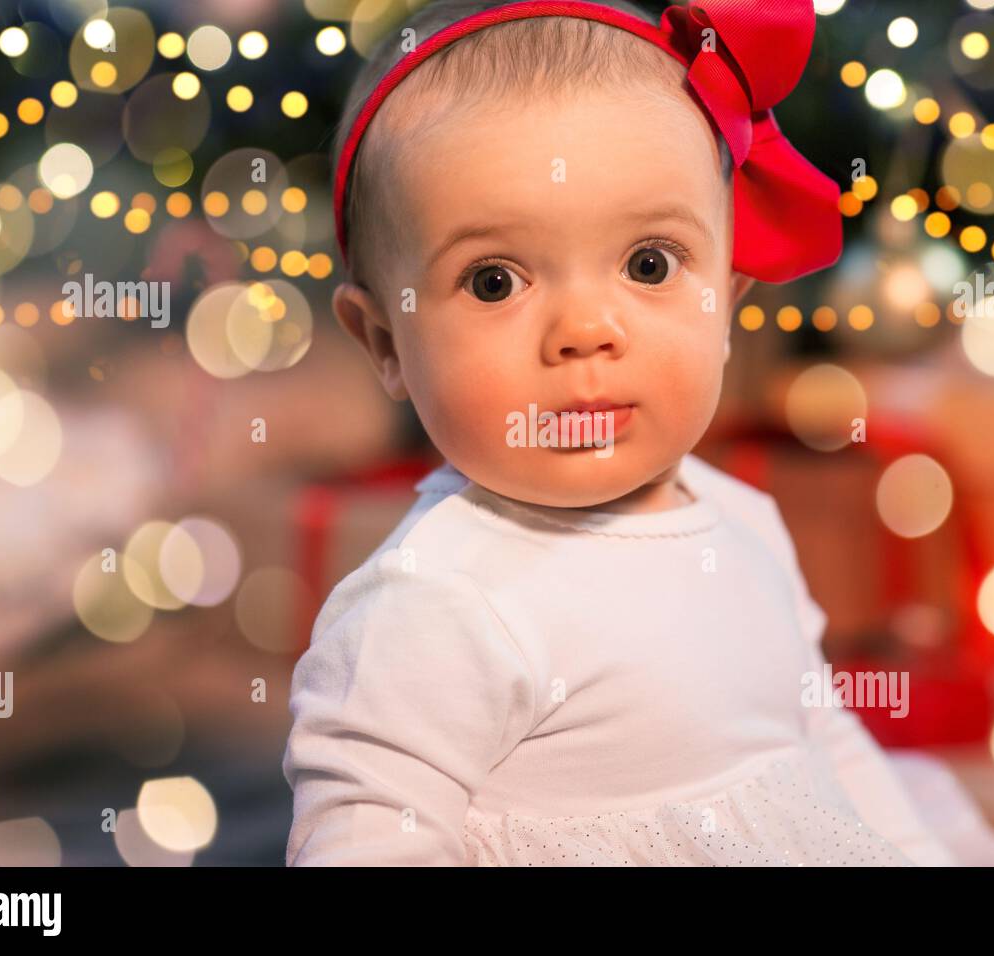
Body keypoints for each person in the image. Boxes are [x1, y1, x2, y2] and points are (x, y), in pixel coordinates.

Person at [282, 0, 955, 866]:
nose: (585, 331)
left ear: (727, 302)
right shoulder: (435, 602)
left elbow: (824, 749)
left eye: (648, 264)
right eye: (494, 281)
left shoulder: (746, 523)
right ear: (387, 343)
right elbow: (364, 843)